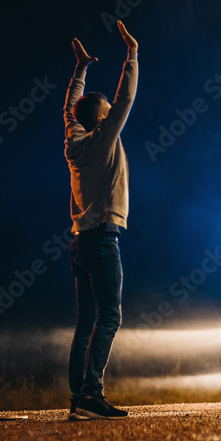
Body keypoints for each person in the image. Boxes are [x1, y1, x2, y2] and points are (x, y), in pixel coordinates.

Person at [63, 21, 138, 420]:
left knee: (85, 320)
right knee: (110, 315)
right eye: (107, 110)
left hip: (79, 242)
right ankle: (91, 393)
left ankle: (79, 397)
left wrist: (81, 68)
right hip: (102, 239)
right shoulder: (103, 138)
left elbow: (70, 107)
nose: (113, 110)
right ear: (101, 119)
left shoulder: (73, 141)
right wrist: (132, 54)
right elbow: (126, 98)